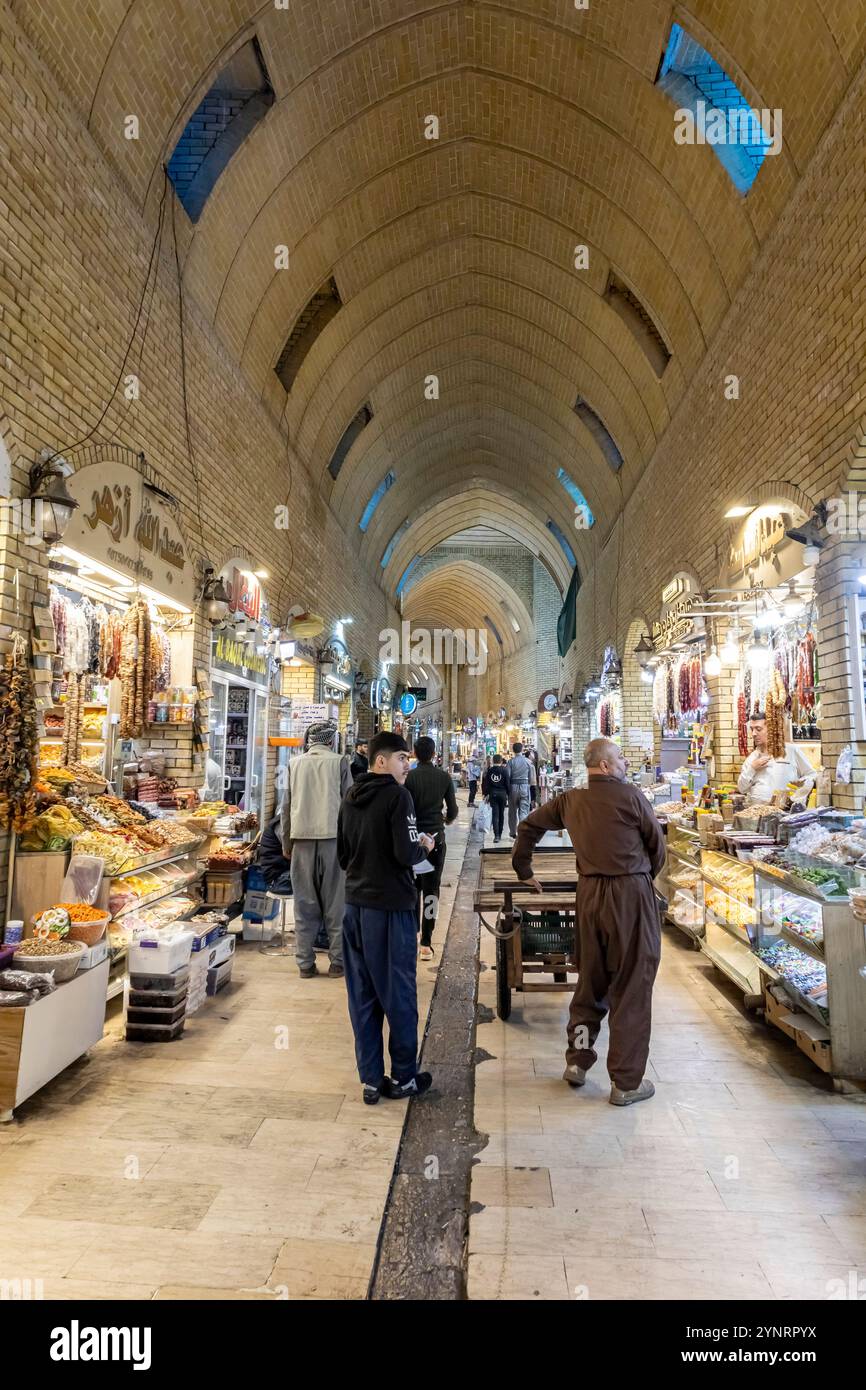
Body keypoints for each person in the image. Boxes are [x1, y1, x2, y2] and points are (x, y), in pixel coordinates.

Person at [512, 737, 666, 1107]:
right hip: (630, 897)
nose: (625, 762)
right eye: (619, 758)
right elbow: (657, 848)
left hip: (590, 896)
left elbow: (528, 826)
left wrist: (523, 868)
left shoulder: (570, 800)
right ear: (605, 766)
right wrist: (640, 880)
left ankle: (578, 1062)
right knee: (632, 985)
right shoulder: (631, 797)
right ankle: (626, 1082)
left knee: (591, 983)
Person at [337, 731, 437, 1105]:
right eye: (401, 759)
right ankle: (404, 1077)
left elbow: (343, 854)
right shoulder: (399, 797)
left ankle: (370, 1079)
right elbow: (405, 853)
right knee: (398, 994)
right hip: (391, 909)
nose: (406, 766)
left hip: (354, 907)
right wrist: (423, 845)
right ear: (381, 761)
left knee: (362, 995)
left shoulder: (350, 796)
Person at [280, 720, 352, 979]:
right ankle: (338, 963)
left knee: (304, 905)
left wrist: (287, 843)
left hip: (301, 841)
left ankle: (305, 964)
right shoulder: (340, 762)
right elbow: (349, 805)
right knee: (336, 905)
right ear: (332, 740)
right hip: (334, 841)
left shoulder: (294, 764)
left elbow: (285, 807)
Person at [406, 736, 459, 959]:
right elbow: (453, 810)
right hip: (436, 840)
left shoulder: (409, 777)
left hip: (412, 841)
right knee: (431, 891)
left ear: (415, 754)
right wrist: (445, 820)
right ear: (434, 753)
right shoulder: (444, 777)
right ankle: (426, 943)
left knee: (411, 890)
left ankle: (413, 933)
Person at [737, 715, 815, 805]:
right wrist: (752, 768)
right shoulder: (752, 759)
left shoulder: (791, 751)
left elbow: (811, 774)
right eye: (752, 729)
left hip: (787, 811)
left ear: (771, 729)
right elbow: (742, 789)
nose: (754, 734)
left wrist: (801, 784)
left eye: (758, 729)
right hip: (758, 813)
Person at [482, 753, 510, 842]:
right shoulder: (505, 770)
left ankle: (496, 835)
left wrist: (486, 794)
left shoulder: (490, 770)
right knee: (501, 814)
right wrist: (509, 795)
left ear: (493, 761)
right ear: (501, 761)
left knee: (495, 814)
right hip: (502, 794)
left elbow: (486, 783)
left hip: (493, 794)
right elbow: (507, 784)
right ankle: (500, 834)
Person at [506, 741, 532, 836]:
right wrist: (528, 785)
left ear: (513, 750)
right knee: (524, 810)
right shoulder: (528, 762)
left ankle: (513, 832)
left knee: (512, 811)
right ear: (522, 749)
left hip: (513, 787)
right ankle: (523, 832)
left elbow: (507, 777)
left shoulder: (510, 762)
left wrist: (508, 791)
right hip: (525, 787)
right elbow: (531, 778)